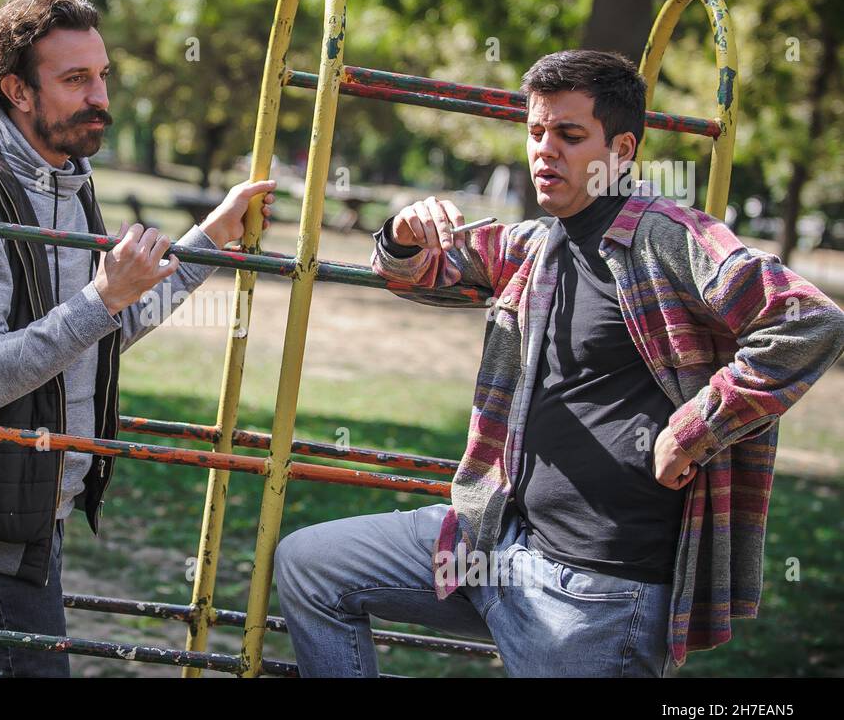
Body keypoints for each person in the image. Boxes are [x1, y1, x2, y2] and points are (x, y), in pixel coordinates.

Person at [274, 49, 844, 677]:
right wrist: (405, 235)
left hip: (597, 596)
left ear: (622, 150)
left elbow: (809, 320)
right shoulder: (540, 241)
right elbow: (417, 271)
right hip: (491, 546)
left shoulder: (670, 237)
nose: (545, 150)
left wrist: (696, 429)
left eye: (570, 136)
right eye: (536, 131)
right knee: (311, 564)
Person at [0, 0, 276, 677]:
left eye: (102, 75)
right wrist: (103, 295)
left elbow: (98, 332)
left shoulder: (66, 179)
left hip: (24, 494)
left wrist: (209, 240)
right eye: (74, 79)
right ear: (17, 91)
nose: (100, 96)